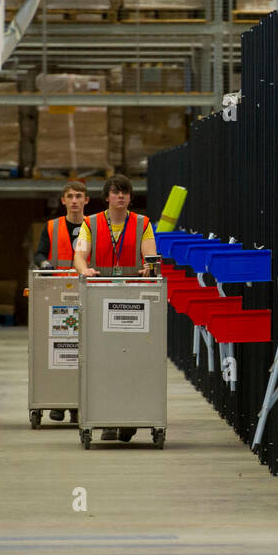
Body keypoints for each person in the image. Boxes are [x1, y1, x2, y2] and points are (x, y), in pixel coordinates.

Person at [73, 175, 158, 441]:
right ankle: (107, 419)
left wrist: (149, 268)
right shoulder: (91, 223)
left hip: (133, 299)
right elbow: (79, 254)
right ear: (107, 197)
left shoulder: (142, 223)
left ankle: (128, 417)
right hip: (100, 297)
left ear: (130, 198)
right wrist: (84, 269)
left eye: (125, 192)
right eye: (115, 192)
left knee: (133, 359)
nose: (120, 196)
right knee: (102, 359)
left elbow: (150, 255)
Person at [33, 181, 88, 424]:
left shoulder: (94, 226)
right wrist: (44, 264)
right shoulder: (52, 227)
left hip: (87, 293)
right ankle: (58, 401)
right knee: (59, 348)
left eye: (79, 196)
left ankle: (77, 405)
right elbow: (40, 253)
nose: (74, 200)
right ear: (63, 201)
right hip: (58, 294)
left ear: (86, 200)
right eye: (70, 196)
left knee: (84, 350)